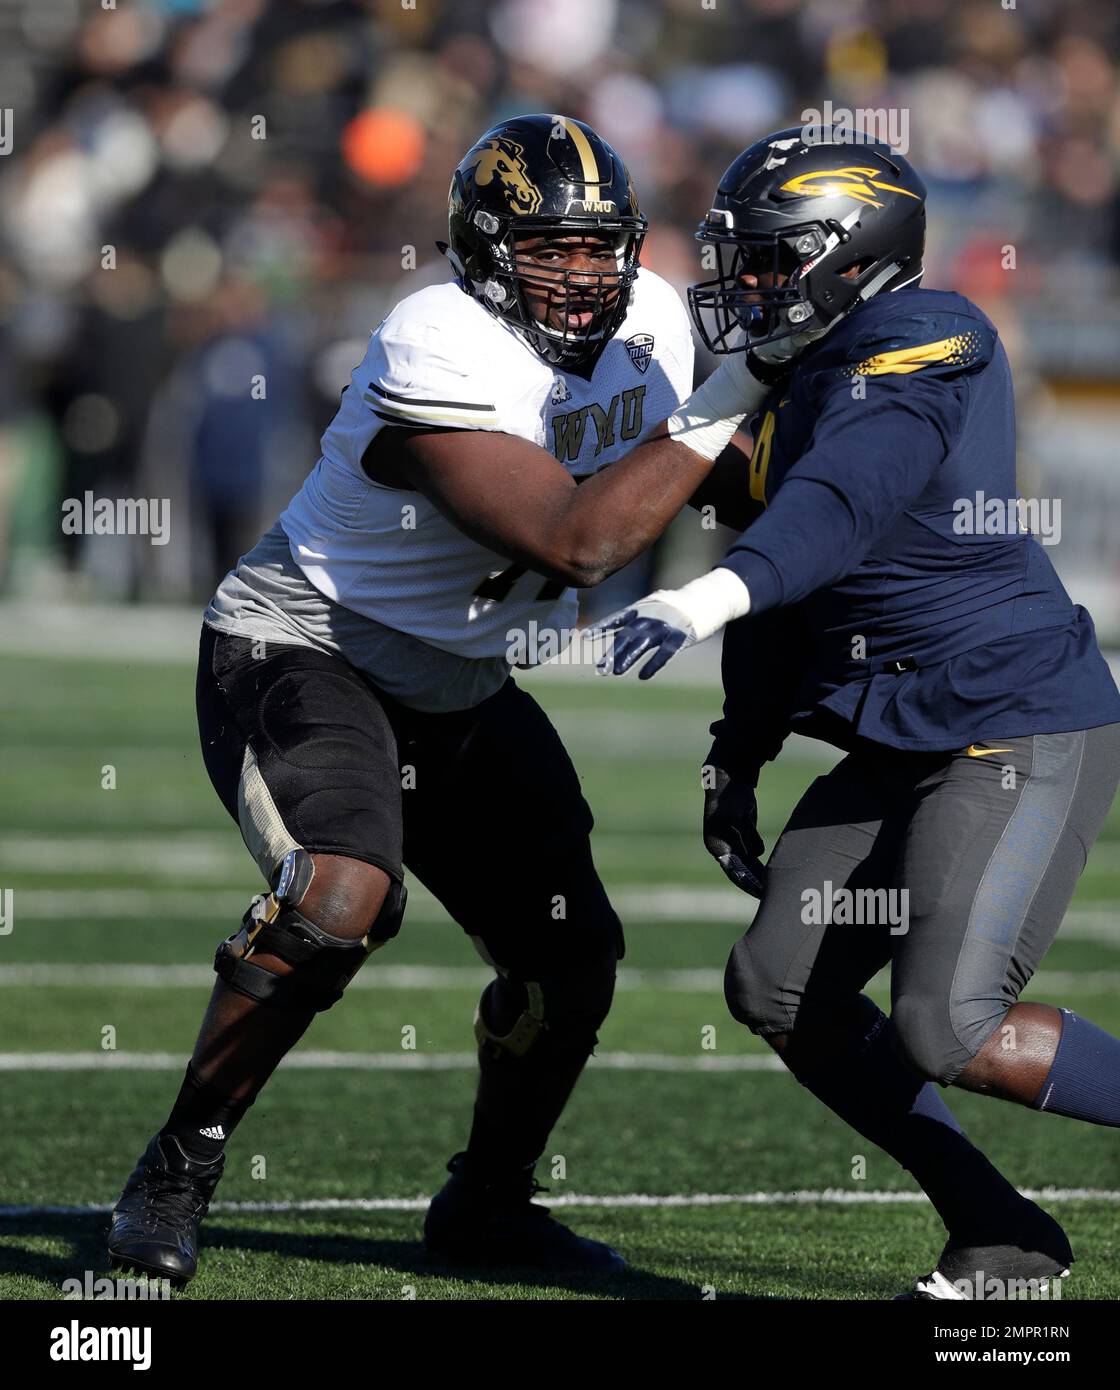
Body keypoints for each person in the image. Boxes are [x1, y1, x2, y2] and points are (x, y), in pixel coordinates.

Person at [106, 113, 768, 1284]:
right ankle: (178, 1165)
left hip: (459, 677)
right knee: (339, 895)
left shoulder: (655, 319)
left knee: (571, 958)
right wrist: (745, 384)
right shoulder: (439, 337)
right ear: (481, 247)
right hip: (309, 645)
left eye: (604, 245)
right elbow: (577, 542)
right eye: (552, 248)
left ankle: (488, 1208)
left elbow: (729, 484)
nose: (587, 273)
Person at [598, 125, 1120, 1300]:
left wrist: (703, 594)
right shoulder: (800, 374)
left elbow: (839, 506)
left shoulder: (926, 336)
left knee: (952, 1024)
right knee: (777, 982)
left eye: (774, 260)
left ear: (853, 256)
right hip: (902, 736)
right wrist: (735, 754)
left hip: (1013, 717)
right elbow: (796, 595)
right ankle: (1002, 1234)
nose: (749, 286)